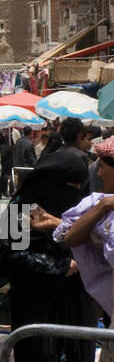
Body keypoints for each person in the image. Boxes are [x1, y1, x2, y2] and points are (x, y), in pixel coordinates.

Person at [5, 146, 95, 362]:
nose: (71, 194)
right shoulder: (20, 209)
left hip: (74, 303)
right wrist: (58, 266)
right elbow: (11, 255)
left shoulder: (81, 207)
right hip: (34, 304)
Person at [53, 134, 114, 322]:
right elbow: (71, 237)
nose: (98, 174)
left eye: (102, 168)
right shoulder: (101, 204)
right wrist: (103, 206)